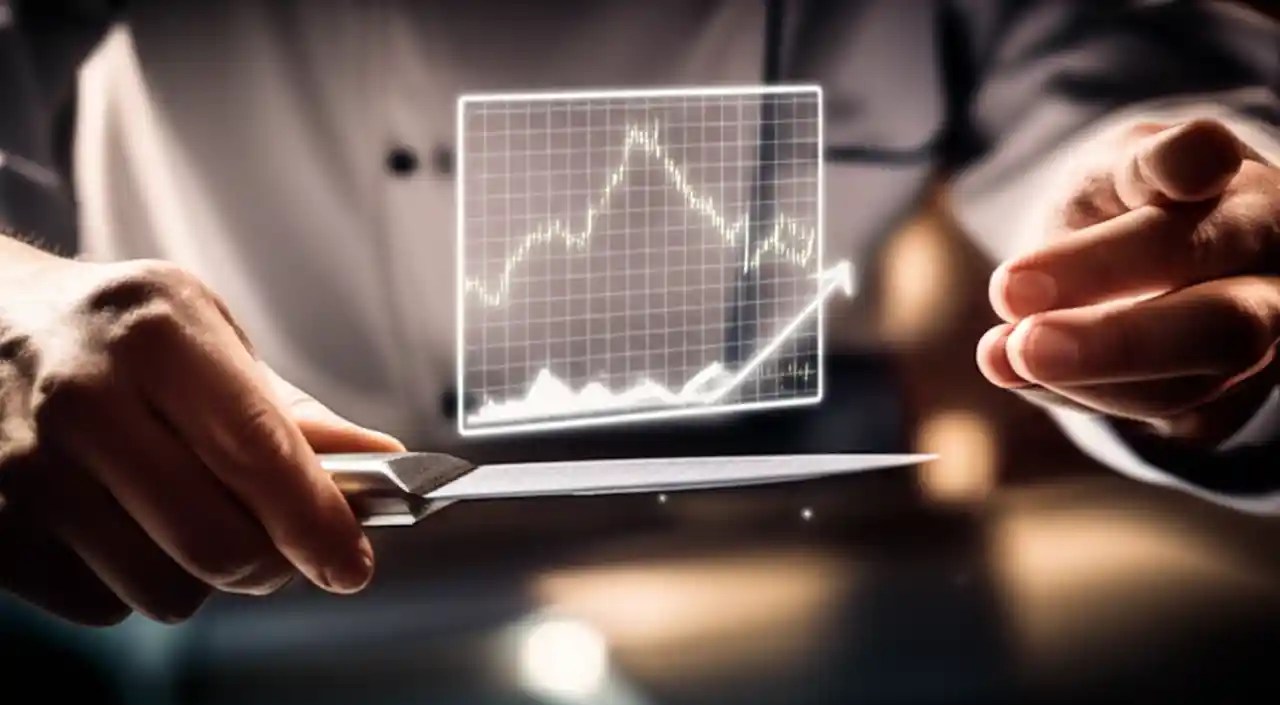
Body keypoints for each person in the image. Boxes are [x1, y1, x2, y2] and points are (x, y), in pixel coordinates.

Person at [0, 1, 1275, 627]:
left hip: (781, 566)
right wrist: (21, 299)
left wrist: (1188, 249)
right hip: (204, 537)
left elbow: (1131, 74)